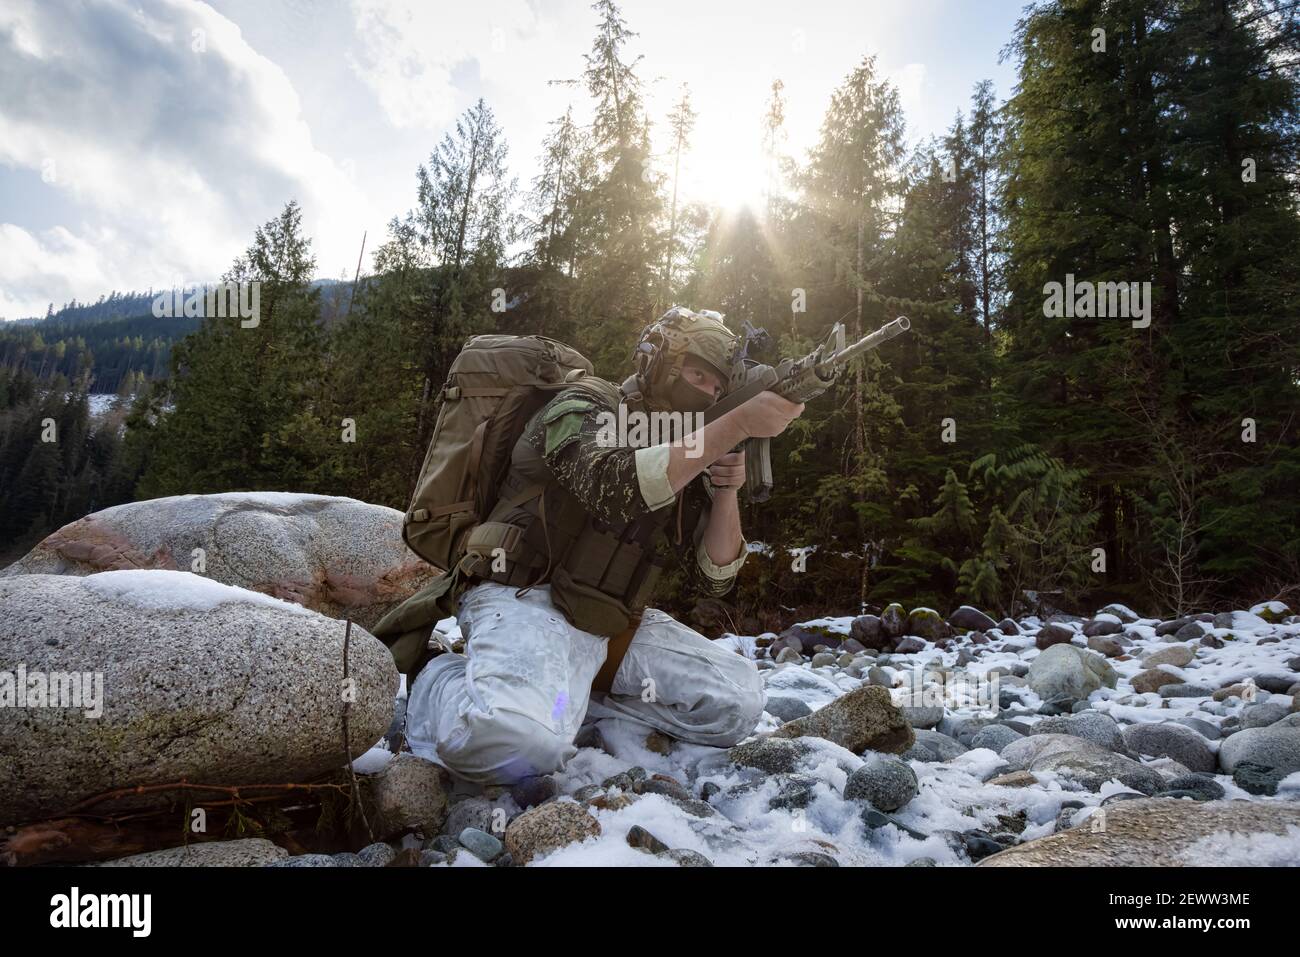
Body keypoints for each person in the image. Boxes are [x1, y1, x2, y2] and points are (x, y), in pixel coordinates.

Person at [403, 307, 805, 784]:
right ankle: (437, 675)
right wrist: (733, 426)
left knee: (737, 705)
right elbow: (609, 485)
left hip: (609, 624)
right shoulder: (582, 403)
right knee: (515, 746)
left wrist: (724, 492)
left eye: (717, 388)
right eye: (697, 373)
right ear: (656, 361)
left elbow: (713, 577)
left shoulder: (689, 448)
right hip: (525, 596)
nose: (706, 392)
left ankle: (566, 699)